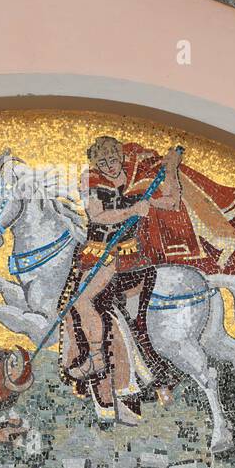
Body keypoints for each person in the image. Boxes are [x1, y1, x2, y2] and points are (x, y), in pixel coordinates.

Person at [60, 138, 182, 423]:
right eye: (101, 162)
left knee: (84, 299)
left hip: (123, 255)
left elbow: (172, 201)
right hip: (97, 249)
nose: (108, 166)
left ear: (120, 156)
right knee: (73, 302)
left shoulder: (137, 176)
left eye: (112, 159)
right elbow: (97, 215)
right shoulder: (90, 178)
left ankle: (96, 359)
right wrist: (132, 210)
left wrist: (172, 169)